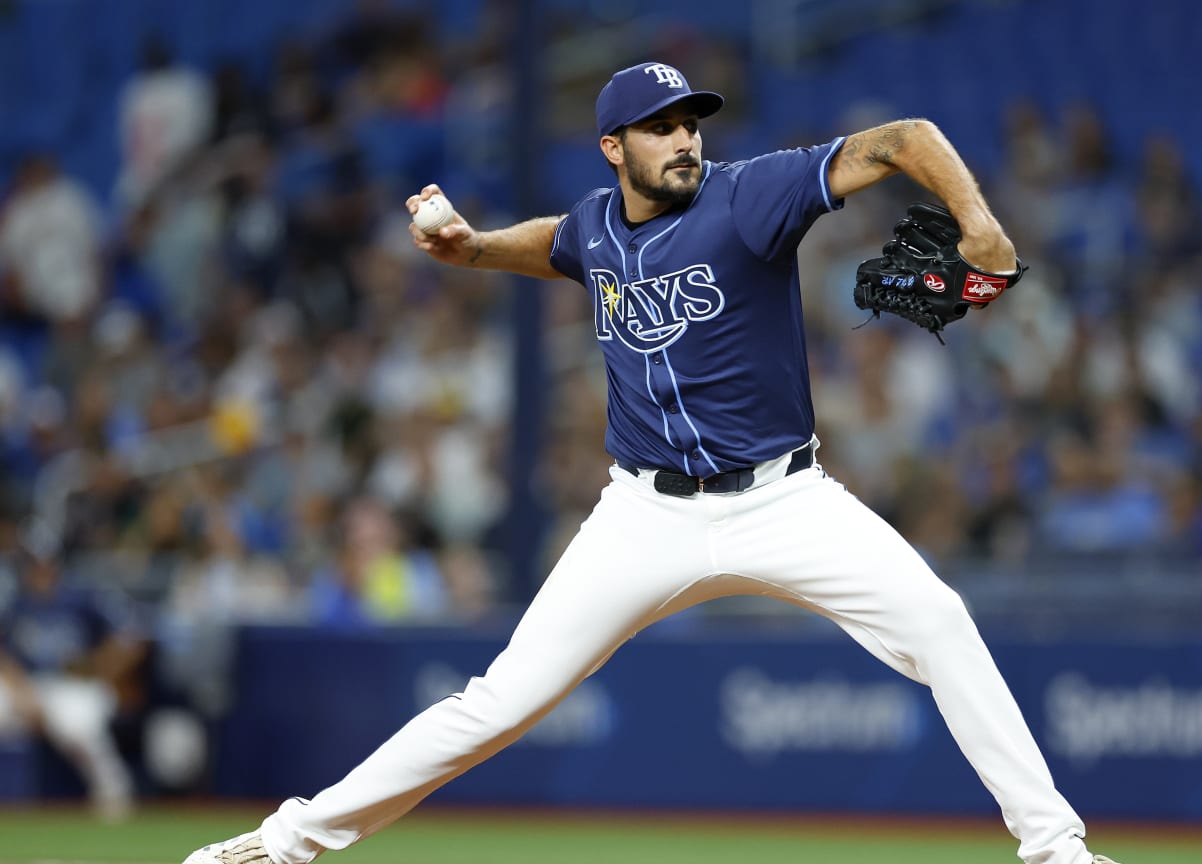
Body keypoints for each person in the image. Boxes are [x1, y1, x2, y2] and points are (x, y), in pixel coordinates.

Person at [184, 62, 1121, 864]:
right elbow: (553, 244)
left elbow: (900, 138)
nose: (684, 139)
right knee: (498, 703)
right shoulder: (596, 226)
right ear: (612, 147)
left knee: (940, 621)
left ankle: (1055, 847)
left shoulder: (752, 194)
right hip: (644, 516)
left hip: (784, 500)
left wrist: (977, 218)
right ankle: (288, 841)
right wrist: (470, 250)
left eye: (690, 123)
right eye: (659, 127)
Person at [0, 521, 143, 821]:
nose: (41, 570)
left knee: (80, 725)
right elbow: (5, 655)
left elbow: (131, 638)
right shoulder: (17, 603)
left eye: (46, 563)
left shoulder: (81, 598)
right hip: (29, 686)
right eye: (35, 563)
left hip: (73, 686)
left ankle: (113, 794)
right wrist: (22, 693)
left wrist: (99, 668)